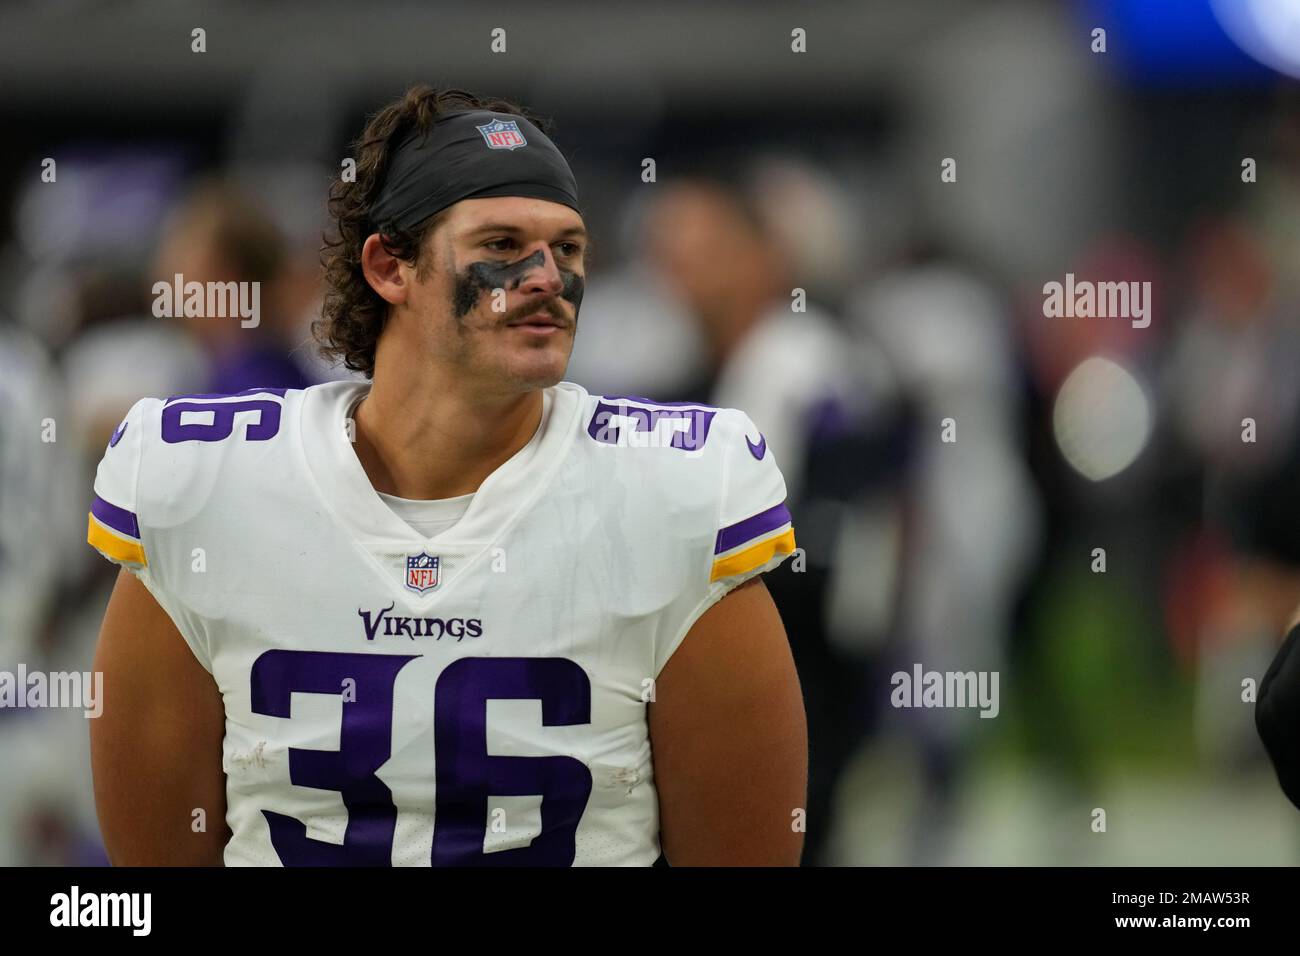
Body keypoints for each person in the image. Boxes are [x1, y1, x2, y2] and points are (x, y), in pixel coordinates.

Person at [86, 85, 807, 866]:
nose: (546, 277)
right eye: (501, 245)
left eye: (568, 248)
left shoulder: (673, 493)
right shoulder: (208, 486)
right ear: (390, 267)